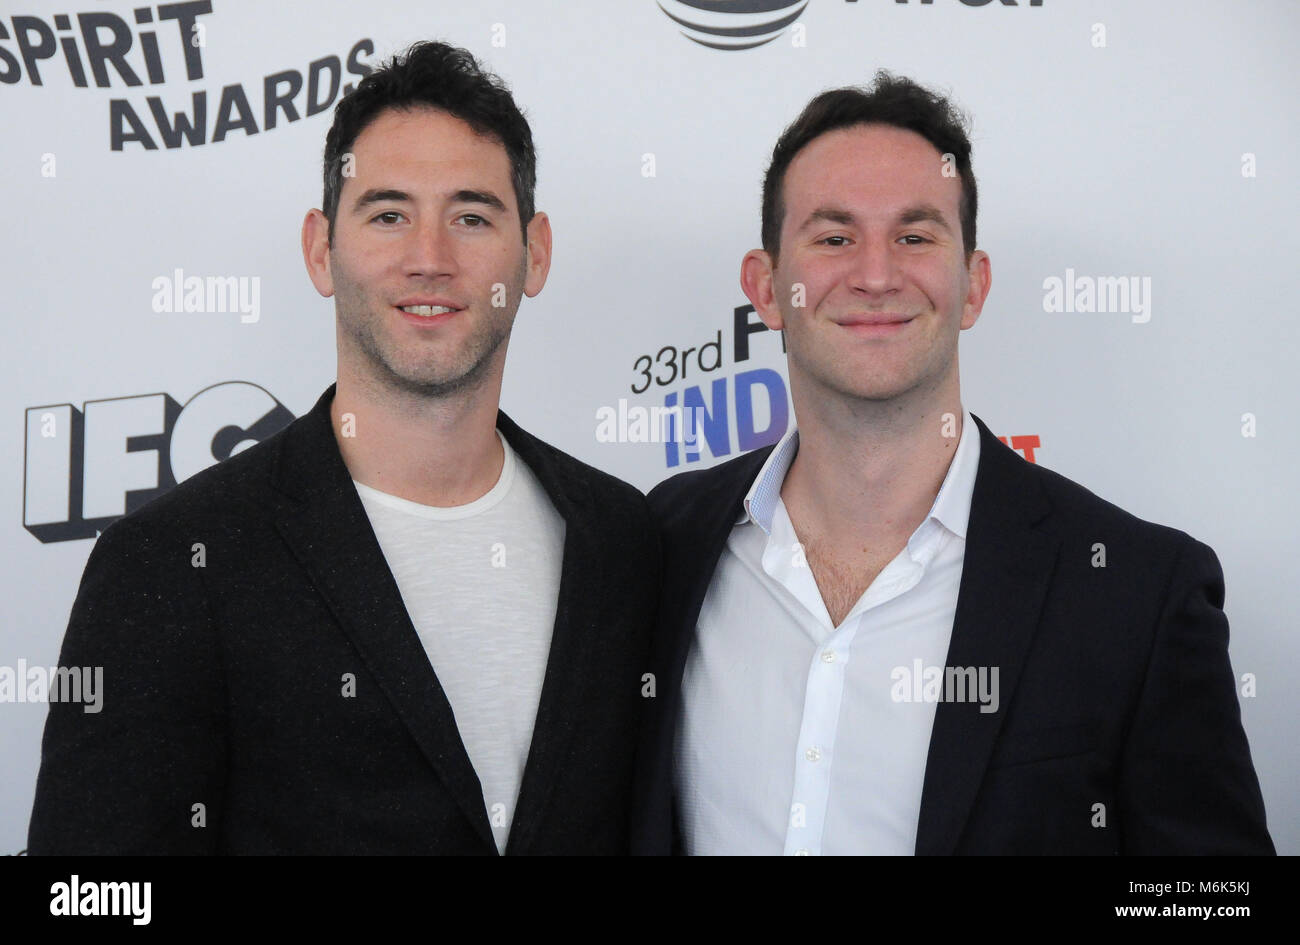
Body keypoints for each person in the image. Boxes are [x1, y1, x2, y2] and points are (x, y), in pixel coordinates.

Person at [28, 40, 658, 855]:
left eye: (471, 216)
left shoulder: (623, 541)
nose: (429, 259)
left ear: (534, 252)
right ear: (322, 250)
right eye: (388, 214)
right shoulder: (173, 562)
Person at [632, 72, 1273, 855]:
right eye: (834, 237)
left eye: (915, 235)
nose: (874, 274)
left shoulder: (1137, 593)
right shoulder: (662, 542)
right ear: (767, 289)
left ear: (972, 286)